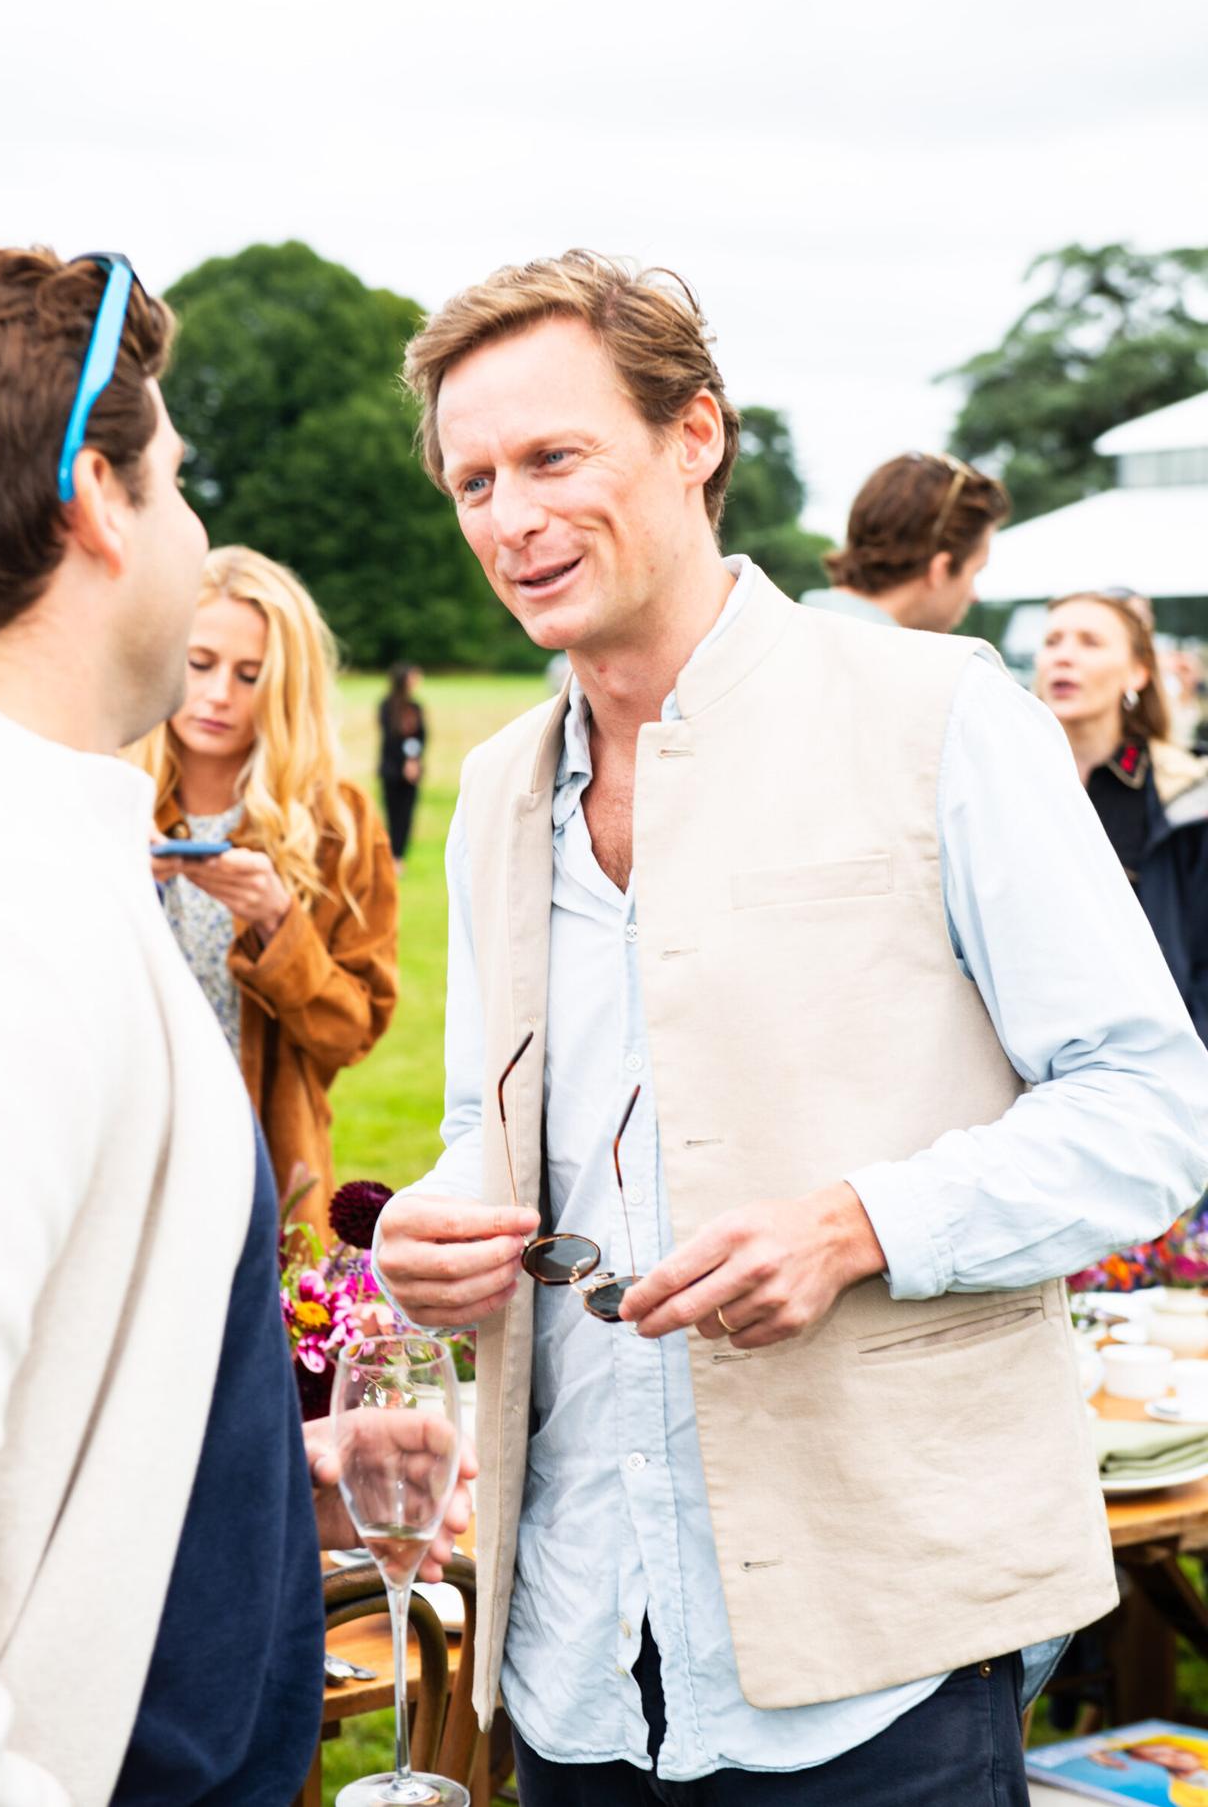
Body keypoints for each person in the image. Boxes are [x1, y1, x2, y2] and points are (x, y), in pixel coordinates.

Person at [375, 250, 1208, 1805]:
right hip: (572, 1658)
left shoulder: (942, 712)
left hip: (877, 1658)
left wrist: (860, 1224)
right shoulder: (493, 793)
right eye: (473, 481)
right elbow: (493, 1133)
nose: (509, 517)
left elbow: (1153, 1104)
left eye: (554, 457)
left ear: (694, 433)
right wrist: (432, 1227)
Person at [0, 246, 471, 1806]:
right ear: (98, 498)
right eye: (180, 481)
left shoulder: (21, 848)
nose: (200, 533)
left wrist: (251, 1484)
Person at [130, 545, 398, 1237]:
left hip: (263, 1174)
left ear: (287, 685)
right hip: (121, 1159)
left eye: (250, 675)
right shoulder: (111, 793)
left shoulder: (338, 824)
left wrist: (279, 923)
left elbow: (352, 1032)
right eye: (199, 663)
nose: (219, 693)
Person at [1037, 592, 1208, 1045]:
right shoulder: (1003, 778)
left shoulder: (1187, 794)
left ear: (1138, 672)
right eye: (1052, 641)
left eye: (1090, 642)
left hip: (1153, 1051)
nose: (1063, 656)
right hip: (1028, 1051)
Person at [801, 449, 1007, 632]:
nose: (974, 596)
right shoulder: (891, 660)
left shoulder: (791, 627)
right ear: (941, 569)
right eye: (975, 572)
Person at [378, 660, 427, 869]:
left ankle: (399, 856)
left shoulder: (415, 707)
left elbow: (420, 737)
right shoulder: (387, 707)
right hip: (391, 769)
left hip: (411, 772)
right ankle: (391, 854)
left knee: (406, 815)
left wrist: (413, 761)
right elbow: (391, 738)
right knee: (392, 813)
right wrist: (404, 760)